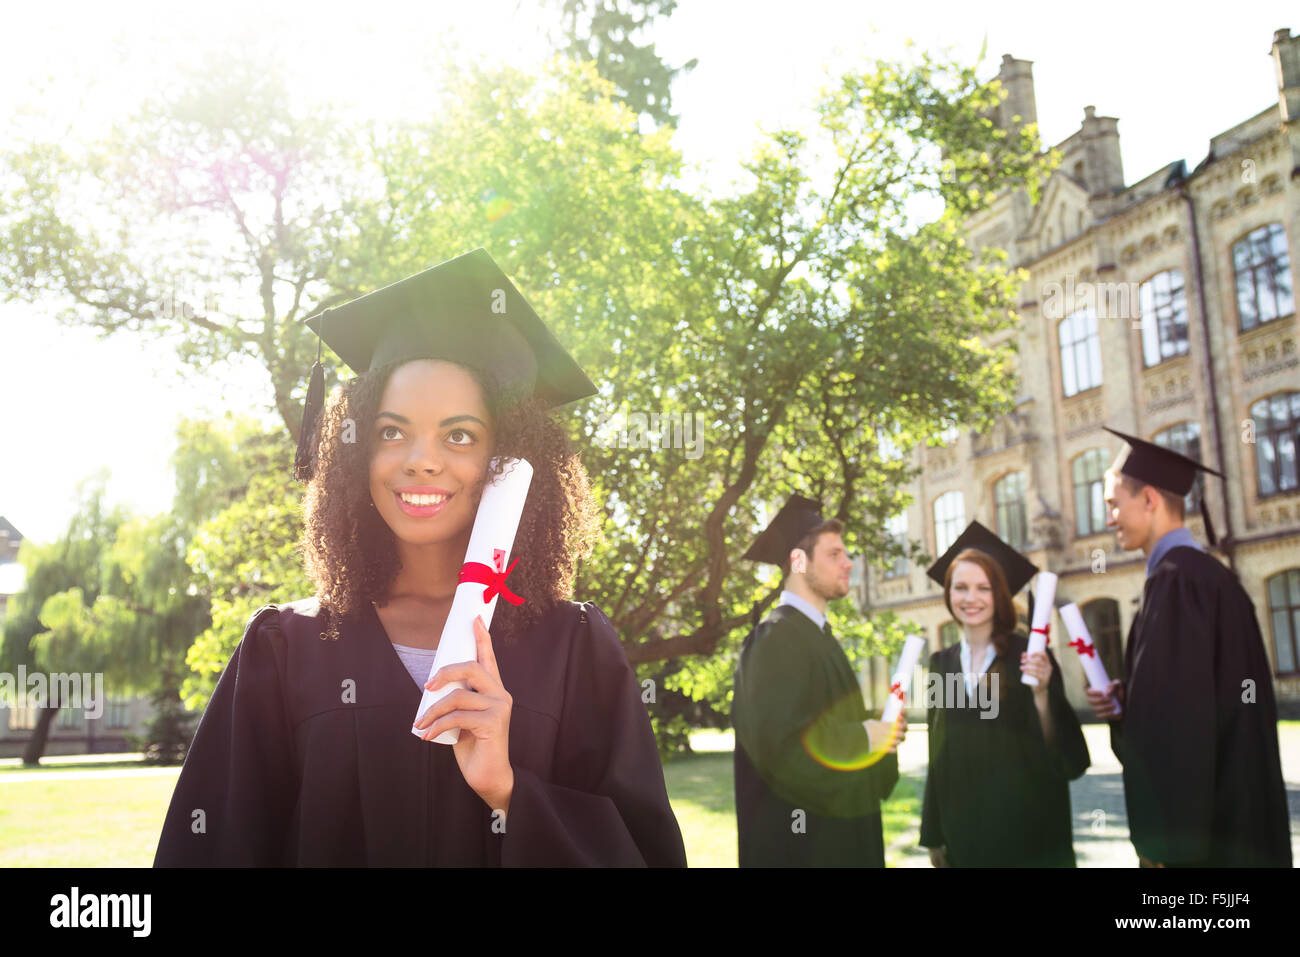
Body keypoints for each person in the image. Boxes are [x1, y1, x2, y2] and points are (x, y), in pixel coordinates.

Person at [154, 248, 687, 867]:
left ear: (507, 458)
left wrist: (510, 793)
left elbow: (644, 858)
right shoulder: (287, 647)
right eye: (391, 431)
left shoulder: (573, 647)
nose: (420, 460)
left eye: (459, 435)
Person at [1087, 427, 1291, 867]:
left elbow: (1177, 730)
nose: (1109, 520)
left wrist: (1164, 844)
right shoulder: (1209, 578)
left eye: (1113, 504)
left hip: (1200, 840)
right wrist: (1129, 705)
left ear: (1150, 500)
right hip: (1237, 815)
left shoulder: (1176, 584)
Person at [732, 494, 906, 867]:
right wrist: (864, 737)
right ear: (799, 560)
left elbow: (828, 730)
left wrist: (881, 733)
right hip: (803, 852)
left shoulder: (821, 638)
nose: (848, 563)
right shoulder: (775, 640)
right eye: (834, 554)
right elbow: (781, 752)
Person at [919, 521, 1089, 867]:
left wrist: (1041, 695)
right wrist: (933, 834)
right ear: (948, 593)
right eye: (961, 587)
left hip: (1029, 836)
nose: (971, 598)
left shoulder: (1029, 657)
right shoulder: (941, 664)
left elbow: (1064, 754)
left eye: (983, 588)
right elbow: (937, 756)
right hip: (965, 836)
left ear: (999, 594)